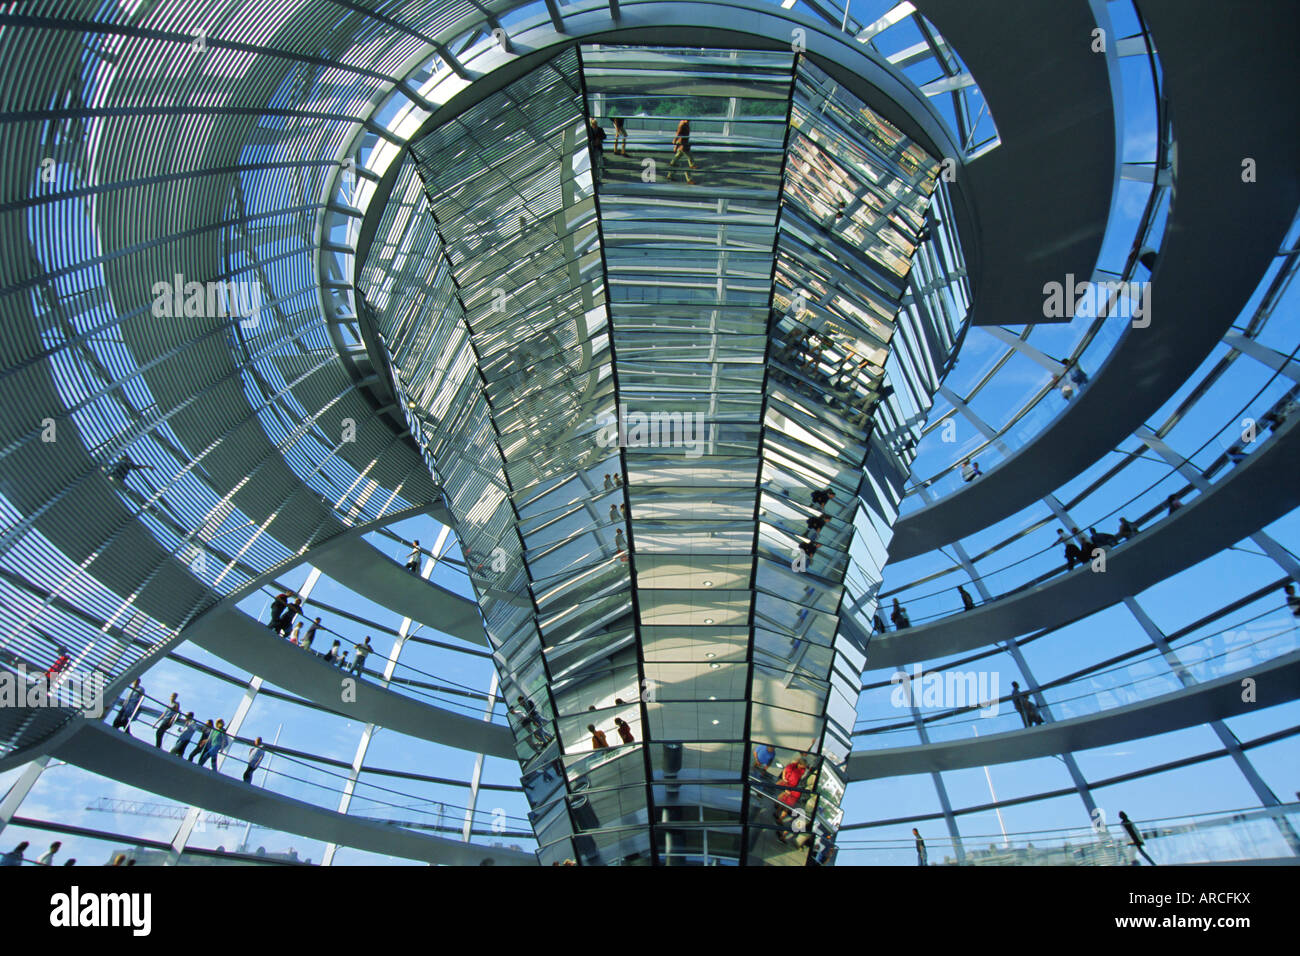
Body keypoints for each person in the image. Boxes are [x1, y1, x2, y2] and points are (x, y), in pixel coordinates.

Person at [666, 118, 697, 184]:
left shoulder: (685, 125)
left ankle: (670, 174)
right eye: (687, 120)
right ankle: (689, 177)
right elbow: (678, 134)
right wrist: (674, 141)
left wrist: (676, 146)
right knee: (690, 159)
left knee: (675, 161)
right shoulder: (682, 125)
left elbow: (680, 136)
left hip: (682, 145)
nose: (688, 121)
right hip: (683, 146)